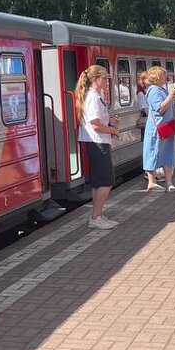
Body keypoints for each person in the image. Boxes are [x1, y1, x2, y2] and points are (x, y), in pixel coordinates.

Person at [75, 65, 120, 230]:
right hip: (97, 142)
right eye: (104, 77)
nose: (106, 81)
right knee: (106, 182)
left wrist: (110, 124)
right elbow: (95, 125)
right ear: (96, 79)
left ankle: (97, 214)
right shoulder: (93, 97)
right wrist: (112, 129)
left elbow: (97, 121)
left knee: (97, 183)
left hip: (96, 141)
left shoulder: (93, 95)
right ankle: (95, 217)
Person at [142, 67, 175, 191]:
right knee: (154, 153)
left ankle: (169, 183)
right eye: (164, 74)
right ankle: (151, 182)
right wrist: (171, 95)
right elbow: (160, 108)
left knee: (168, 155)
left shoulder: (161, 89)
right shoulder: (153, 91)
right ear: (158, 77)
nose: (166, 76)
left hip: (166, 127)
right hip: (157, 129)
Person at [135, 72, 150, 143]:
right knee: (146, 140)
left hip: (147, 119)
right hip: (146, 119)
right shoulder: (141, 94)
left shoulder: (144, 91)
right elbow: (145, 109)